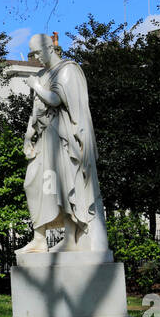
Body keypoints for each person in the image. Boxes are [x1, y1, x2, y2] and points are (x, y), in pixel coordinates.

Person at [21, 32, 107, 252]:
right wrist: (28, 135)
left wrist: (35, 85)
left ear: (50, 48)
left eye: (38, 52)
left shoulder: (67, 70)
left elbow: (55, 99)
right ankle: (39, 238)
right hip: (43, 140)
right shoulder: (42, 73)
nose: (36, 57)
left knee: (64, 187)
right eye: (33, 54)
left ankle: (70, 238)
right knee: (33, 183)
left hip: (62, 140)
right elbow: (36, 110)